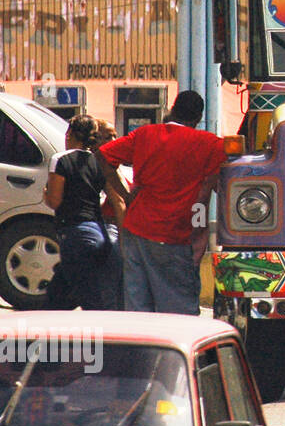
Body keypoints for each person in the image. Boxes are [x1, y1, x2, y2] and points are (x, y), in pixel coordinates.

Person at [97, 91, 226, 315]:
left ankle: (141, 348)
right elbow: (221, 186)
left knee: (137, 303)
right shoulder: (210, 145)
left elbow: (103, 157)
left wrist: (125, 194)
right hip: (176, 233)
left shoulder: (144, 134)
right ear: (198, 118)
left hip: (136, 229)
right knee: (179, 309)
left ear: (172, 110)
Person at [42, 114, 112, 310]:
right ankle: (45, 335)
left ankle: (106, 338)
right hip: (99, 233)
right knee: (56, 295)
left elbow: (55, 201)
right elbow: (114, 197)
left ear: (69, 134)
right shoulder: (99, 161)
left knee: (91, 301)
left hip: (74, 235)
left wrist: (45, 193)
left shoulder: (60, 160)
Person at [91, 120, 127, 311]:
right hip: (111, 229)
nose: (113, 140)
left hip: (109, 228)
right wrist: (123, 239)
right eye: (107, 137)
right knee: (112, 286)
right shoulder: (102, 164)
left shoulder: (114, 164)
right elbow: (119, 203)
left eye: (114, 135)